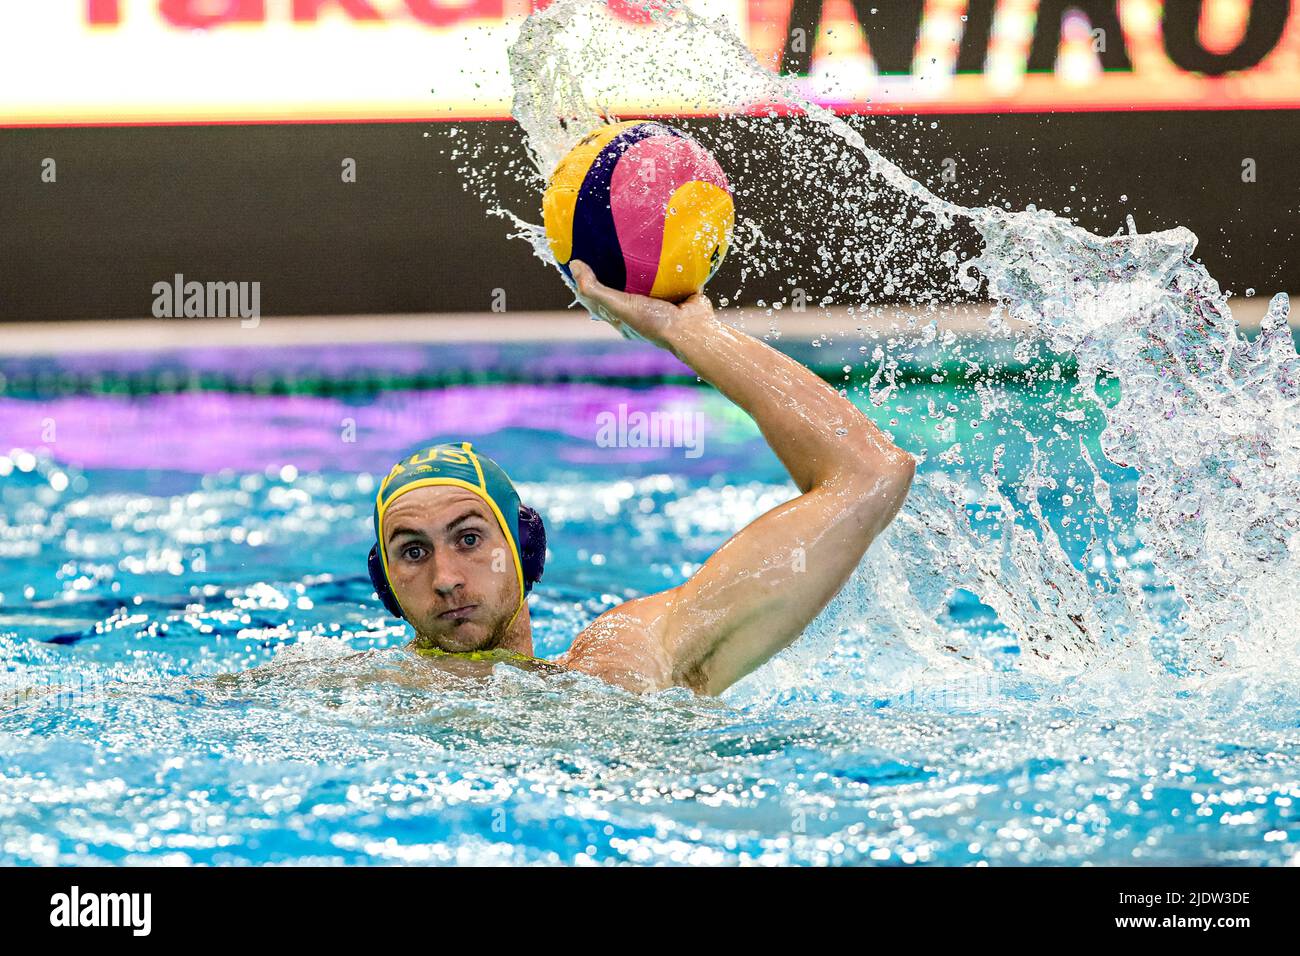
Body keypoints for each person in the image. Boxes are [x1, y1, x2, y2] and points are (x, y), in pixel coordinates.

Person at [368, 259, 915, 696]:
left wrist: (690, 332)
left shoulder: (628, 660)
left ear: (523, 547)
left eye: (469, 539)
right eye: (412, 552)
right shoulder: (361, 692)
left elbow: (869, 472)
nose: (445, 578)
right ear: (386, 584)